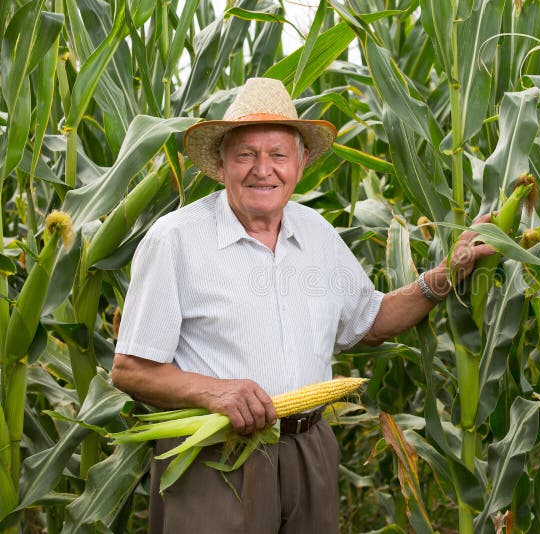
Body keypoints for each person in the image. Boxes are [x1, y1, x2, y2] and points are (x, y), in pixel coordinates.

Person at [111, 78, 495, 533]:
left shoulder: (316, 234)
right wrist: (215, 391)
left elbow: (370, 322)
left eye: (277, 155)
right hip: (217, 456)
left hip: (309, 449)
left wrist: (449, 273)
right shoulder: (175, 240)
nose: (262, 169)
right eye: (245, 155)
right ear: (220, 163)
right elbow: (130, 369)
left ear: (301, 162)